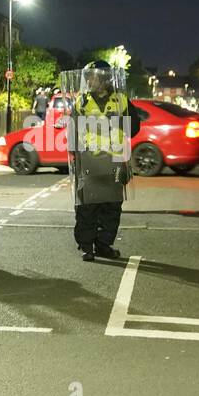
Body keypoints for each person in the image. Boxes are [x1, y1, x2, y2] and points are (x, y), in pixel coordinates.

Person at [71, 60, 140, 261]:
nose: (89, 81)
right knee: (87, 206)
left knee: (111, 206)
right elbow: (73, 130)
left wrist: (117, 120)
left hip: (115, 159)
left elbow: (134, 128)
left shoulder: (121, 100)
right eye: (88, 77)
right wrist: (75, 159)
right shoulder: (82, 102)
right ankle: (87, 246)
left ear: (104, 78)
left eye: (92, 77)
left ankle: (103, 245)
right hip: (89, 159)